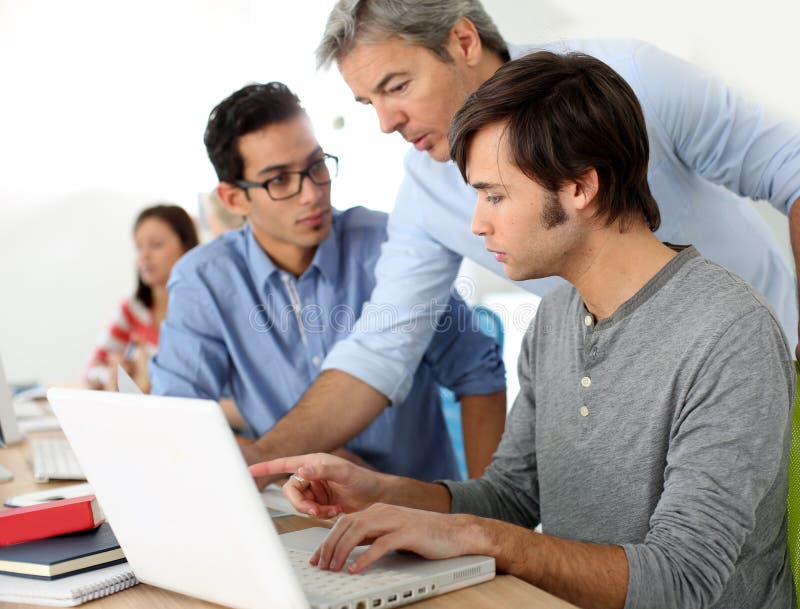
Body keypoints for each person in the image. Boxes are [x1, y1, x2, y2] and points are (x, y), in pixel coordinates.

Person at [252, 51, 795, 609]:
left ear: (581, 188)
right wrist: (379, 493)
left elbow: (682, 581)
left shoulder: (728, 334)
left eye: (495, 195)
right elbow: (510, 498)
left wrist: (478, 537)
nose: (477, 223)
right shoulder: (556, 318)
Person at [239, 0, 800, 468]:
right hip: (634, 407)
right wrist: (261, 460)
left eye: (397, 87)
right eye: (370, 103)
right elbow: (382, 344)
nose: (386, 122)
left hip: (768, 364)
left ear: (462, 41)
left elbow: (793, 172)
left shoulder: (631, 77)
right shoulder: (425, 193)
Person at [149, 82, 506, 480]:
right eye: (279, 180)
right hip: (292, 512)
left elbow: (479, 371)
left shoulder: (390, 246)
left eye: (316, 165)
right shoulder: (205, 280)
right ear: (234, 199)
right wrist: (300, 456)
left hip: (416, 517)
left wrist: (483, 519)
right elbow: (178, 423)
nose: (311, 193)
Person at [86, 204, 198, 392]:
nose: (144, 256)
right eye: (139, 247)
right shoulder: (132, 308)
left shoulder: (204, 308)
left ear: (186, 246)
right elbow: (92, 370)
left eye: (156, 245)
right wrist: (116, 373)